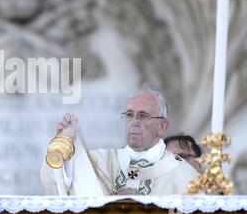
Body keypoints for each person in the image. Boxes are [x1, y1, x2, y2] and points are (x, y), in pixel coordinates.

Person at [40, 84, 198, 196]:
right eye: (129, 115)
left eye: (143, 116)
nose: (134, 122)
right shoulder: (100, 161)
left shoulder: (182, 172)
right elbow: (57, 184)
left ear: (162, 126)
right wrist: (65, 141)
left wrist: (145, 208)